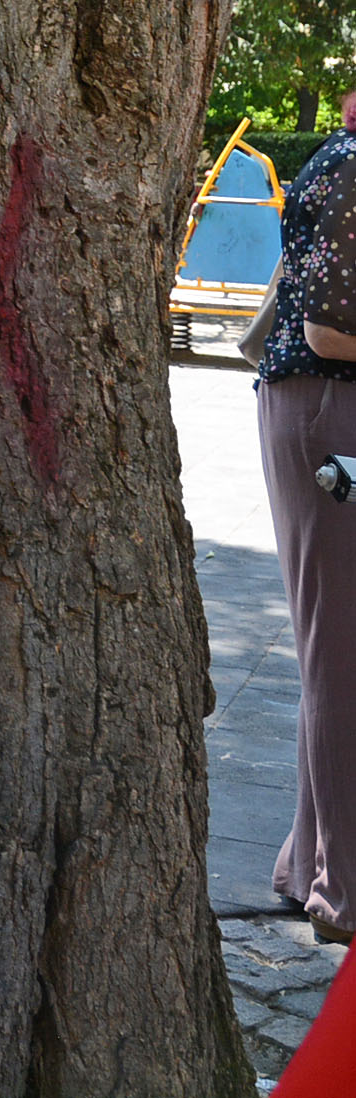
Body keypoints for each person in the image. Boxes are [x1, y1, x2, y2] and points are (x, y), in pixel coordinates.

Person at [253, 105, 356, 946]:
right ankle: (341, 885)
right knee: (343, 652)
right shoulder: (352, 164)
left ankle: (316, 866)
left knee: (340, 648)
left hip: (326, 409)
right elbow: (328, 329)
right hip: (332, 412)